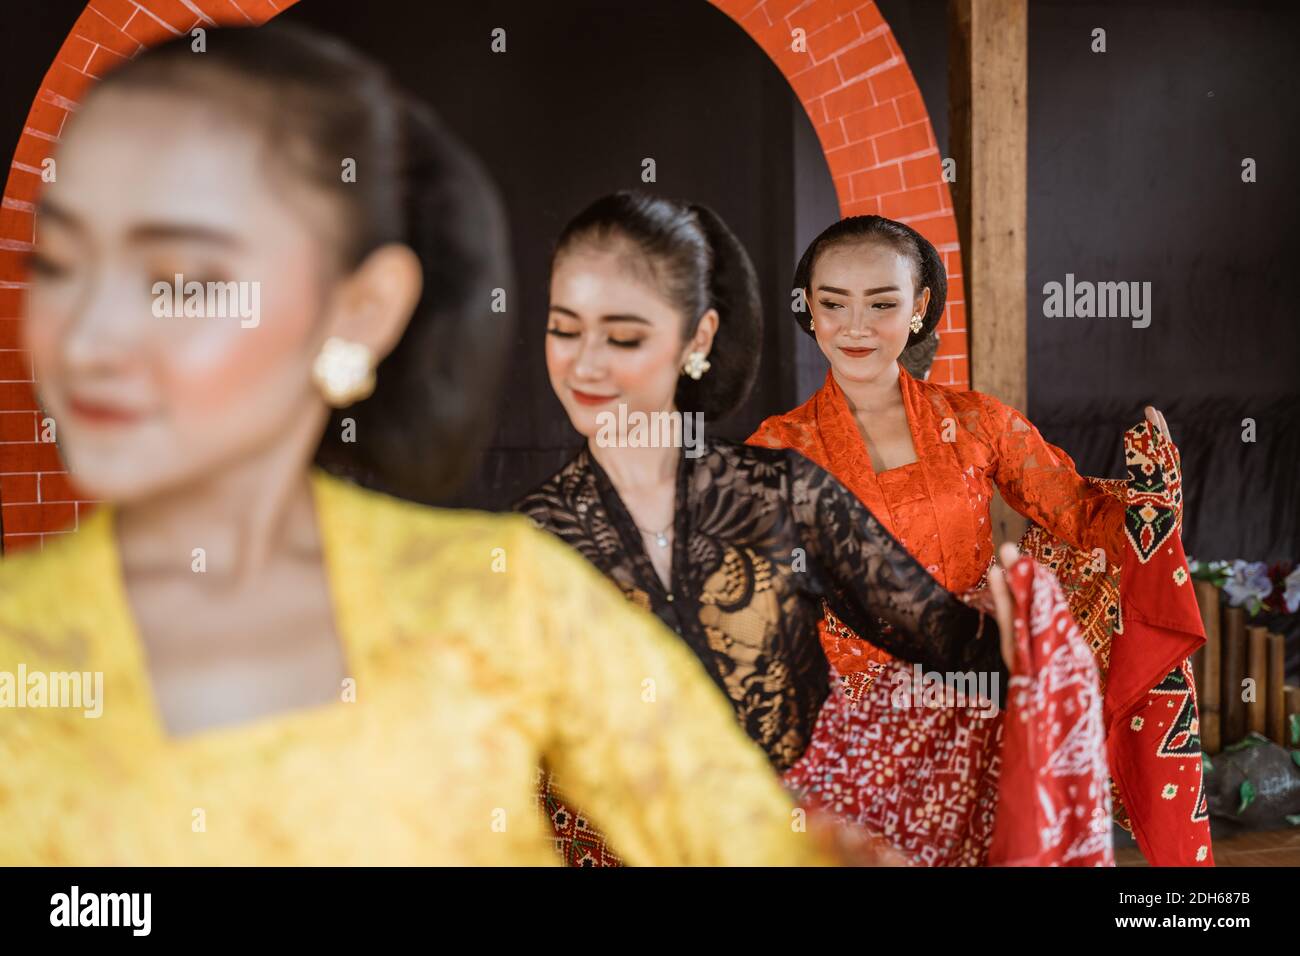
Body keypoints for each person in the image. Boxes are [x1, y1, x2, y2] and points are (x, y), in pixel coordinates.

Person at [0, 23, 840, 866]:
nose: (84, 340)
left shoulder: (501, 601)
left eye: (178, 279)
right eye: (59, 262)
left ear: (361, 310)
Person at [515, 192, 1019, 866]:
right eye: (564, 329)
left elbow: (960, 653)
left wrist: (1028, 634)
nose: (585, 364)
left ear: (698, 337)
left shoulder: (782, 493)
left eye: (625, 335)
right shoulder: (527, 540)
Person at [749, 215, 1208, 866]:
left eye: (881, 303)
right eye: (833, 303)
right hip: (844, 726)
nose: (855, 326)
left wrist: (1153, 496)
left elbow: (1082, 517)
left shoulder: (975, 422)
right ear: (811, 310)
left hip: (976, 703)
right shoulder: (777, 446)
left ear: (919, 308)